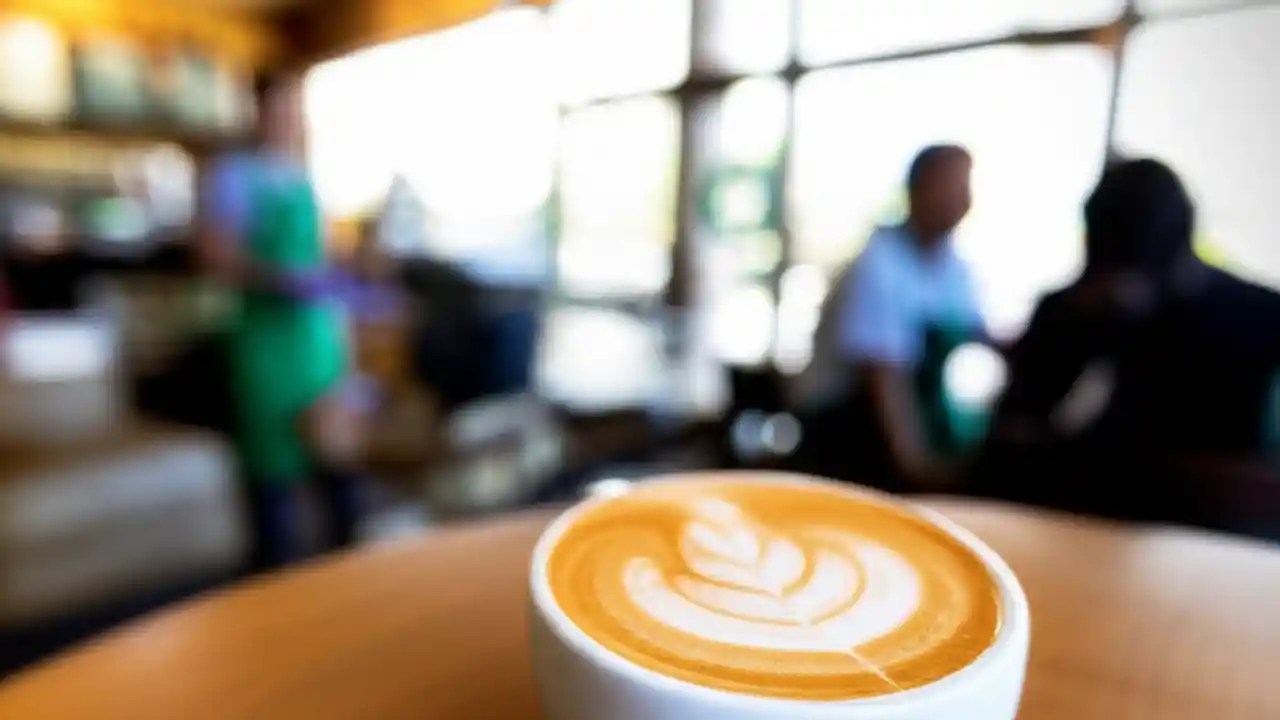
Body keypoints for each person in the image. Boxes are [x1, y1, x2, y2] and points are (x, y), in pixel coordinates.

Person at [984, 159, 1280, 535]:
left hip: (1207, 530)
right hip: (1082, 522)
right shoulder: (1070, 312)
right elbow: (1014, 434)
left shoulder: (1259, 317)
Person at [198, 72, 363, 568]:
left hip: (318, 345)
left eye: (295, 107)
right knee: (272, 487)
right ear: (258, 112)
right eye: (279, 108)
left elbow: (326, 269)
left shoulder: (304, 178)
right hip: (264, 347)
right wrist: (281, 280)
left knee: (341, 477)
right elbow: (214, 257)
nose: (289, 119)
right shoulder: (232, 175)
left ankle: (349, 583)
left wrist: (345, 346)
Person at [795, 145, 987, 490]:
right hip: (844, 435)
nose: (962, 200)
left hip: (901, 422)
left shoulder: (953, 266)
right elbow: (882, 377)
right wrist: (915, 465)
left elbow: (979, 333)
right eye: (951, 186)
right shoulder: (879, 264)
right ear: (916, 190)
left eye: (966, 187)